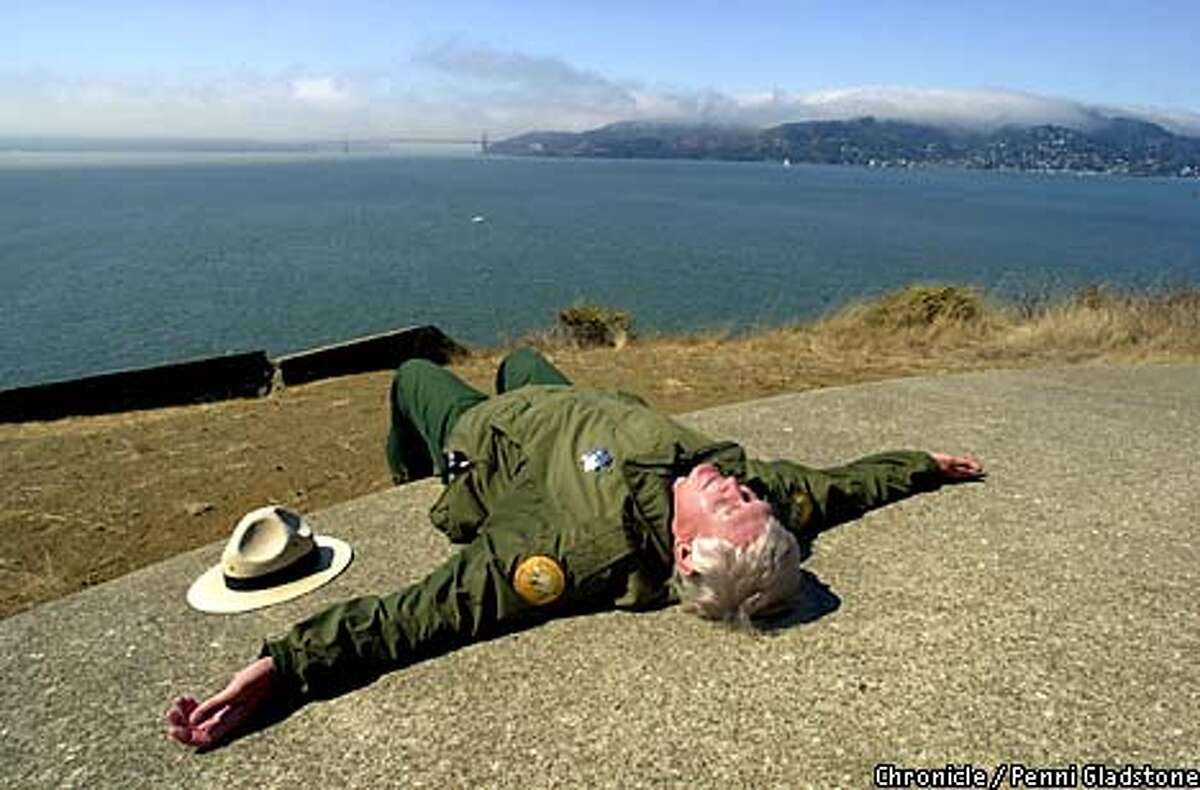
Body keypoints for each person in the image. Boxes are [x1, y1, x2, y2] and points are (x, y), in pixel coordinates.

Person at [167, 348, 984, 748]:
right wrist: (922, 466)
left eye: (733, 508)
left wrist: (287, 666)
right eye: (755, 504)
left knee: (414, 373)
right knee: (522, 354)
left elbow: (429, 614)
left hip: (487, 441)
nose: (747, 493)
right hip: (562, 400)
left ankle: (408, 470)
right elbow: (841, 485)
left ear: (687, 551)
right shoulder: (749, 490)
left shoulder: (572, 550)